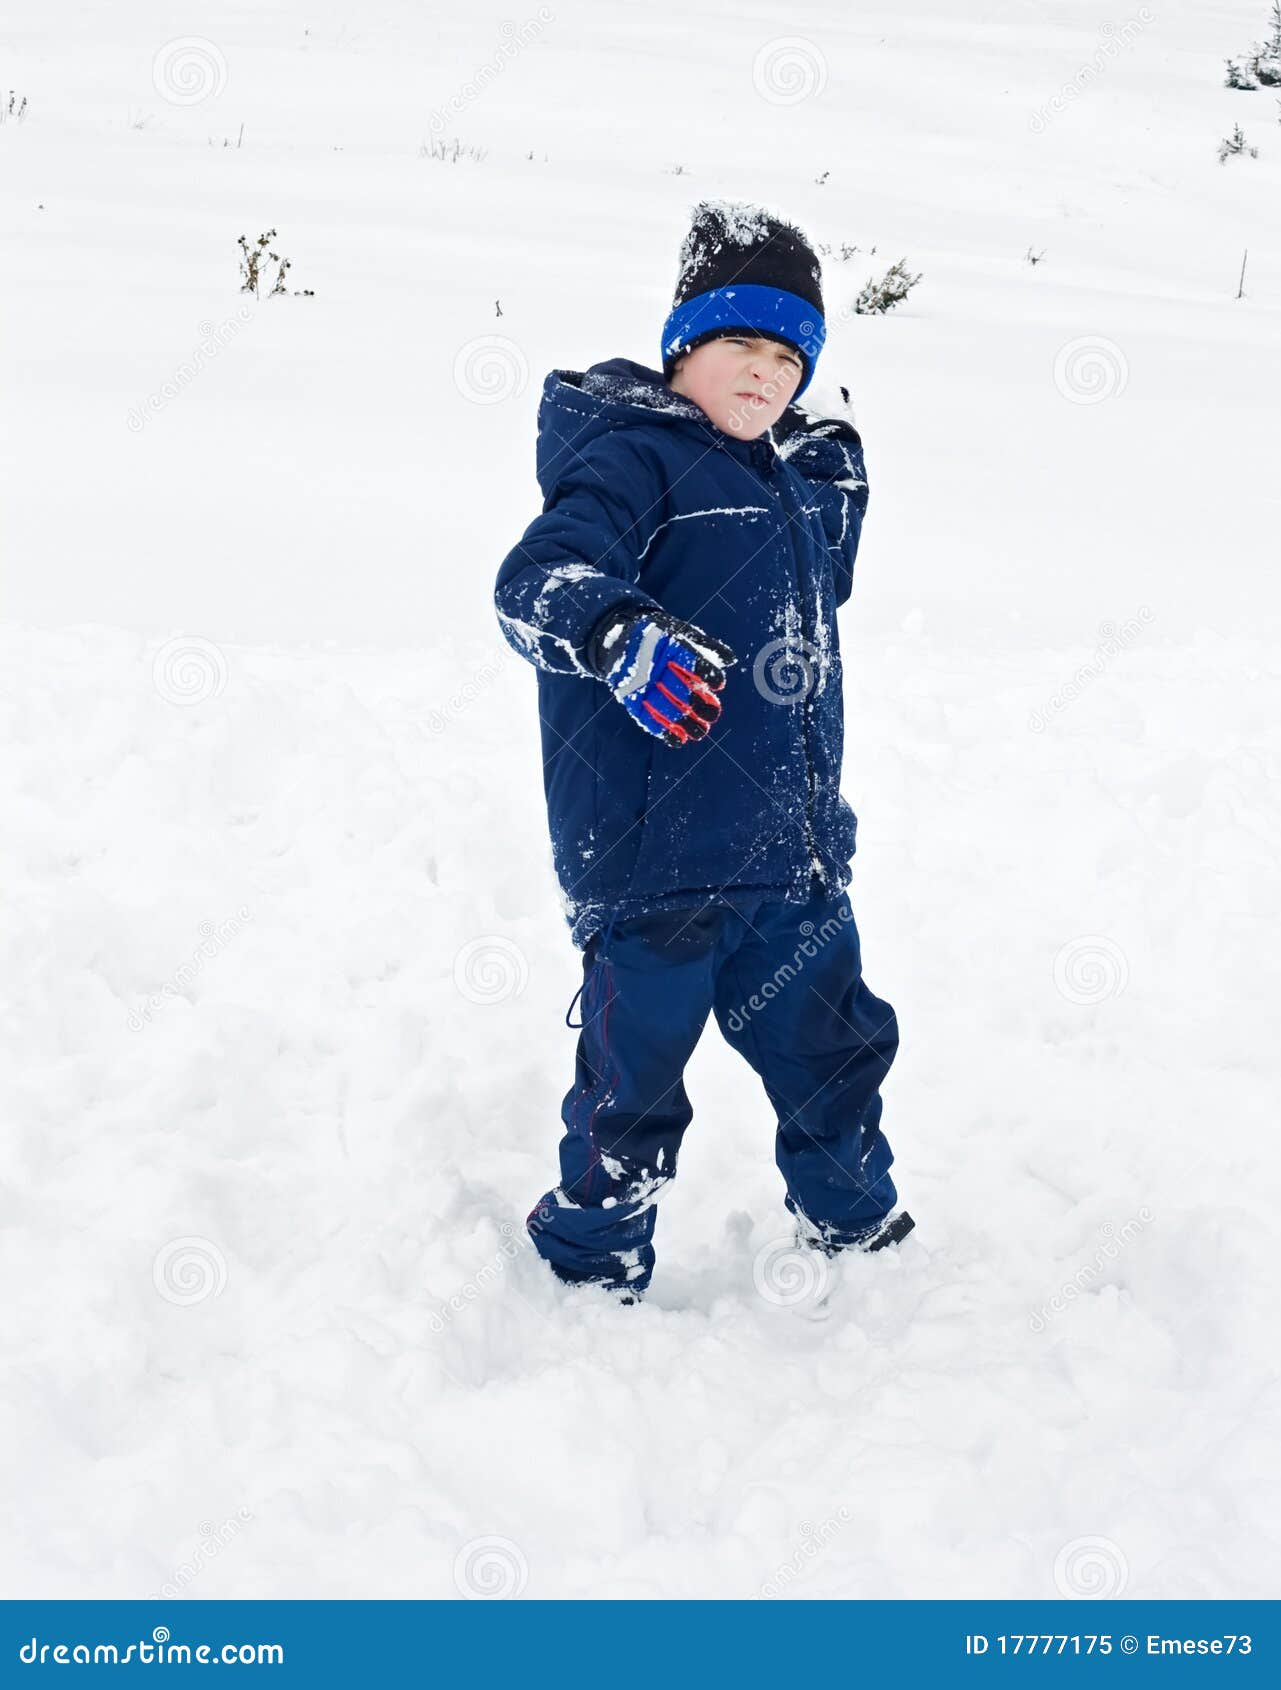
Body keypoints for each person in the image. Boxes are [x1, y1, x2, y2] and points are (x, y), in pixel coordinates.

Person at [493, 199, 913, 1303]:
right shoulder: (632, 462)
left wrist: (837, 458)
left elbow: (825, 583)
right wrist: (616, 632)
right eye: (741, 344)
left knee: (834, 1054)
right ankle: (590, 1264)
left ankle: (859, 1231)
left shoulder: (785, 484)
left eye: (790, 357)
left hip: (791, 856)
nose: (766, 375)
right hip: (656, 864)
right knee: (631, 1087)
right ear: (683, 345)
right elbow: (536, 578)